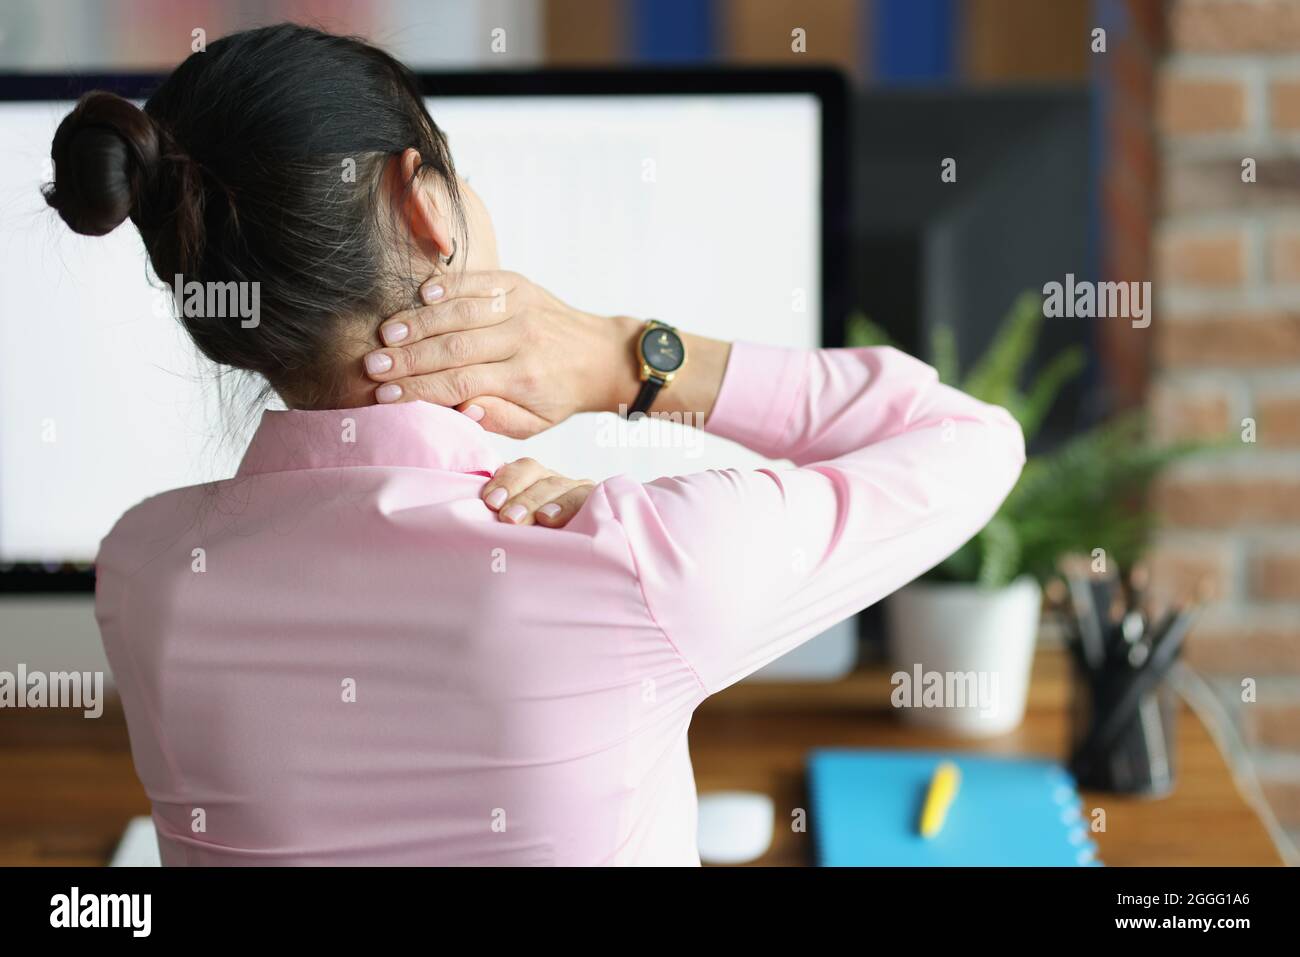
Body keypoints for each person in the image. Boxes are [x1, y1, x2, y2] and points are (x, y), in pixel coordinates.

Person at [45, 24, 1024, 865]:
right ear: (424, 202)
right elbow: (968, 441)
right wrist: (628, 358)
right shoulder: (631, 561)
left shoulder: (145, 569)